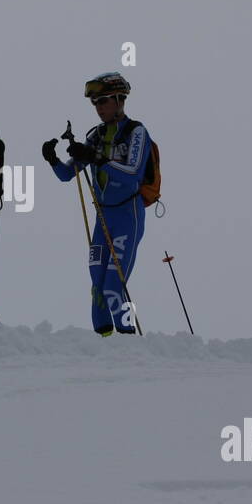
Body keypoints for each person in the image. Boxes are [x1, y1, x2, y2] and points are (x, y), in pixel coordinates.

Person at [42, 72, 152, 335]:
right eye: (95, 103)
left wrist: (97, 158)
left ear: (119, 99)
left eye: (103, 101)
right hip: (102, 219)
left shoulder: (136, 131)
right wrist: (52, 159)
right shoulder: (96, 135)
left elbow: (133, 175)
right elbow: (67, 175)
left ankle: (129, 340)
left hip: (127, 216)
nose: (99, 108)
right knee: (97, 284)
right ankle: (103, 341)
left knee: (114, 285)